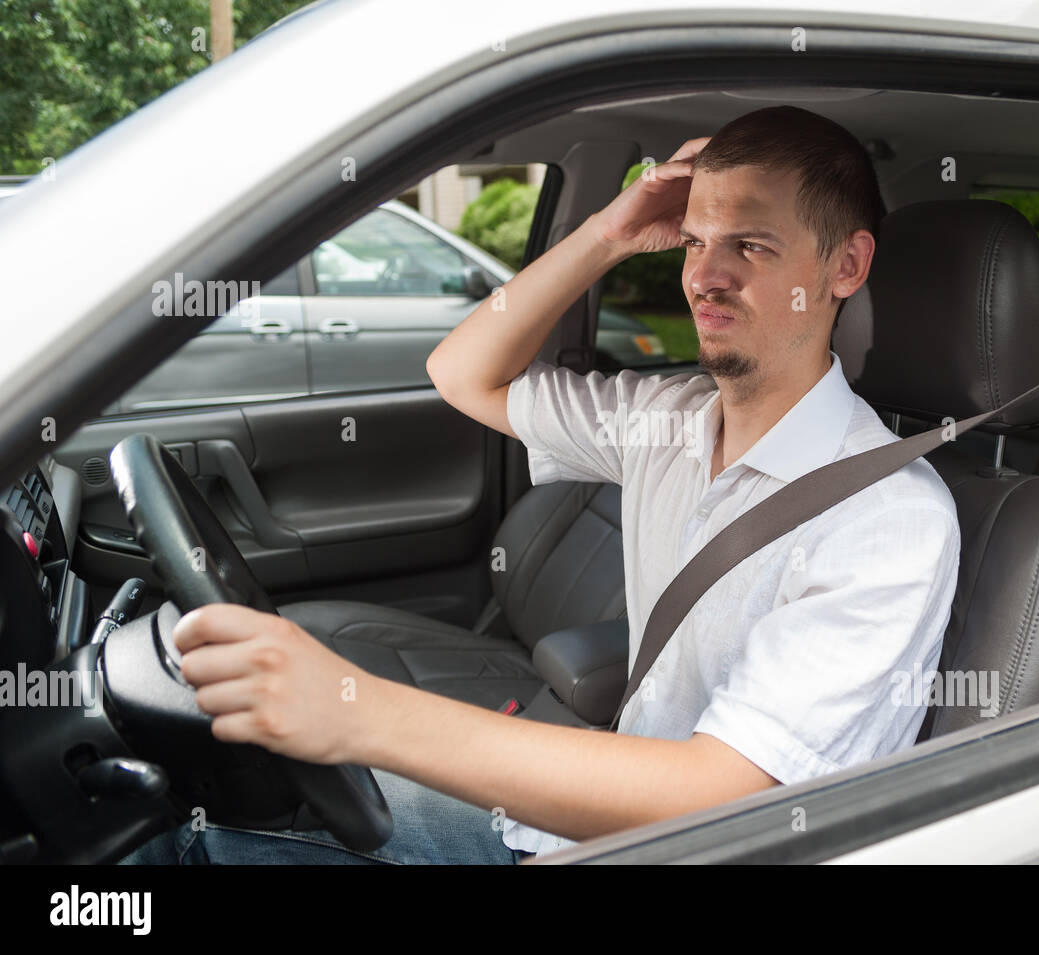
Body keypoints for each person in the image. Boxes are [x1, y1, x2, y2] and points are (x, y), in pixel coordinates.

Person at [120, 105, 959, 865]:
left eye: (751, 244)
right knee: (190, 839)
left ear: (846, 265)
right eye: (697, 241)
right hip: (584, 829)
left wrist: (359, 709)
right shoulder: (666, 418)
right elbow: (463, 373)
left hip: (683, 847)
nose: (705, 276)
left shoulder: (888, 520)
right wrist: (613, 231)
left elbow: (721, 798)